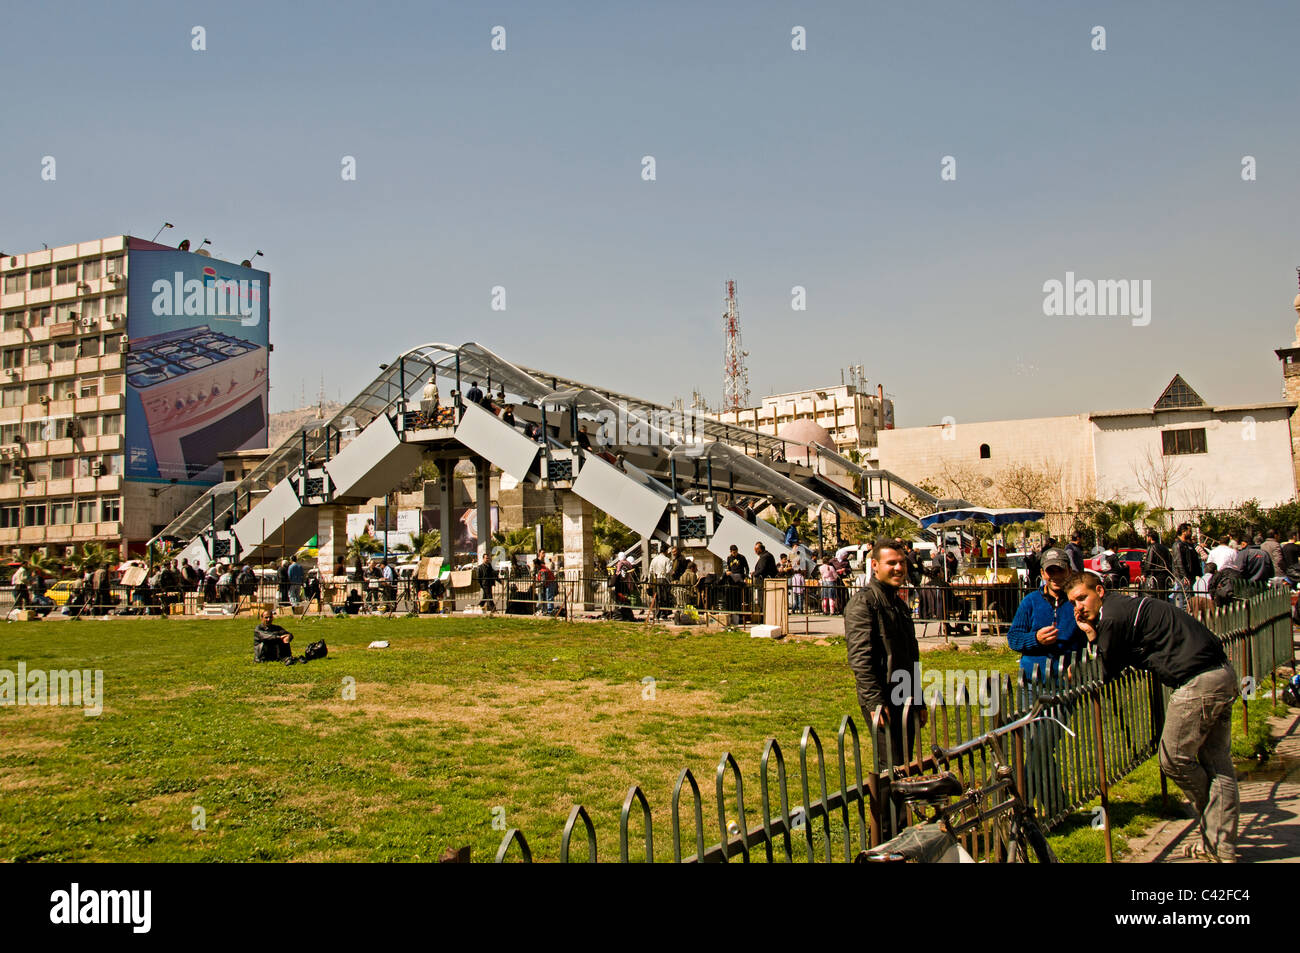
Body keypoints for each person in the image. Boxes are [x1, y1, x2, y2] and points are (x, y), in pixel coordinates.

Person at [1066, 571, 1239, 863]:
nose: (1078, 607)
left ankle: (1213, 813)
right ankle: (1221, 849)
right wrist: (1092, 634)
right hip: (1222, 674)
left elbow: (1105, 670)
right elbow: (1118, 657)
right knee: (1217, 764)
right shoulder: (1124, 609)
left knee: (1173, 760)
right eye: (1073, 603)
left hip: (1197, 683)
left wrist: (1090, 638)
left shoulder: (1113, 616)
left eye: (1082, 597)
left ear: (1100, 590)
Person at [844, 539, 929, 793]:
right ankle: (887, 828)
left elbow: (910, 656)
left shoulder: (899, 605)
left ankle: (903, 821)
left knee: (905, 764)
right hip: (883, 697)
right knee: (890, 768)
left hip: (905, 694)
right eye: (891, 563)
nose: (898, 568)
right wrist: (874, 703)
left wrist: (918, 700)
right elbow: (861, 658)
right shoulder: (864, 603)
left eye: (902, 563)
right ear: (874, 565)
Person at [1005, 549, 1082, 680]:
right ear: (1042, 573)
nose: (1056, 576)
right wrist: (1035, 639)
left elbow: (1088, 641)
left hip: (1068, 682)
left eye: (1060, 570)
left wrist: (1078, 665)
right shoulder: (1030, 601)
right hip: (1033, 681)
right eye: (1050, 571)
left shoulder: (1077, 601)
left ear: (1069, 571)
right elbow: (1013, 639)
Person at [1172, 523, 1203, 606]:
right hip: (1184, 577)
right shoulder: (1178, 545)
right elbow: (1179, 562)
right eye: (1189, 531)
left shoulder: (1188, 545)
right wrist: (1184, 576)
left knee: (1190, 598)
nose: (1191, 533)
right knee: (1185, 599)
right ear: (1183, 532)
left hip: (1191, 576)